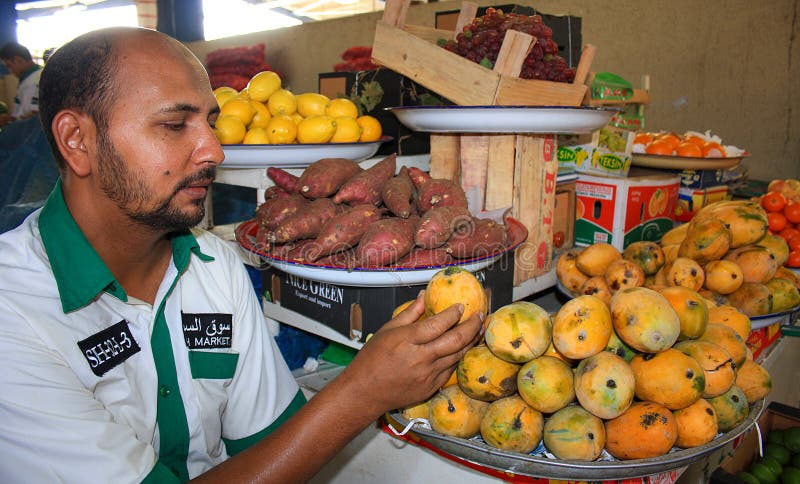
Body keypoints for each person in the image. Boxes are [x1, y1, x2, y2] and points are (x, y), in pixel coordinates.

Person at [0, 27, 483, 483]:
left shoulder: (213, 266)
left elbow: (276, 447)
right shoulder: (13, 311)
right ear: (76, 140)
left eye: (211, 123)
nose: (215, 150)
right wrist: (362, 392)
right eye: (174, 124)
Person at [0, 41, 42, 128]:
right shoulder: (28, 78)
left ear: (18, 60)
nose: (10, 71)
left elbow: (34, 115)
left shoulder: (35, 81)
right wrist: (9, 119)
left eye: (9, 66)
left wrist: (10, 122)